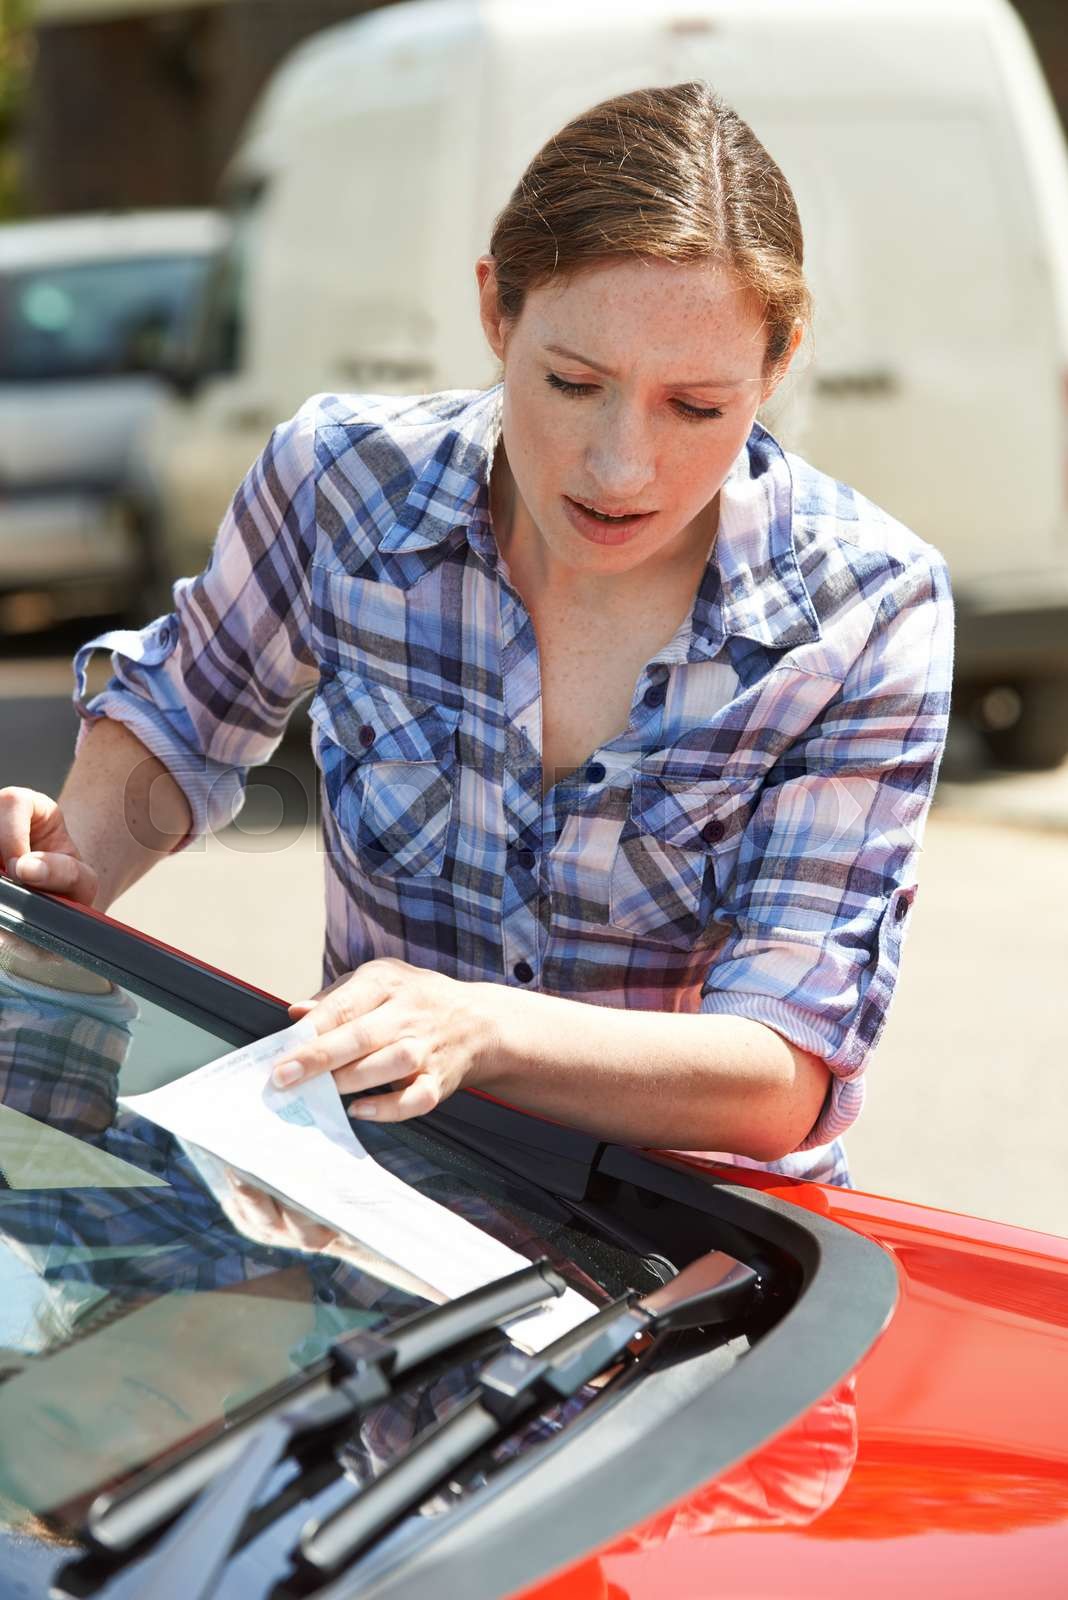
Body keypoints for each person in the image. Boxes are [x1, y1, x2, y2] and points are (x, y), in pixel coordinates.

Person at [0, 83, 953, 1187]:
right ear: (497, 312)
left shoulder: (866, 607)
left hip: (697, 1245)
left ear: (778, 365)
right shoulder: (343, 485)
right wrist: (62, 866)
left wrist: (481, 1031)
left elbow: (781, 1075)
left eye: (695, 407)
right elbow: (178, 723)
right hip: (369, 1196)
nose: (619, 466)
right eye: (571, 382)